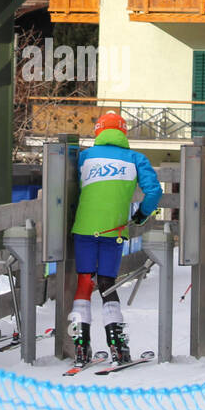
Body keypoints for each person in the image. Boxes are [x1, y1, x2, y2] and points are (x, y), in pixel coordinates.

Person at [69, 111, 163, 365]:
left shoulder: (85, 156)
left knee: (84, 282)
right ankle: (118, 347)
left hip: (84, 228)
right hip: (114, 231)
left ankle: (80, 347)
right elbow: (154, 191)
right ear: (123, 132)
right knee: (107, 283)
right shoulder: (135, 159)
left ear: (99, 131)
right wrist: (141, 216)